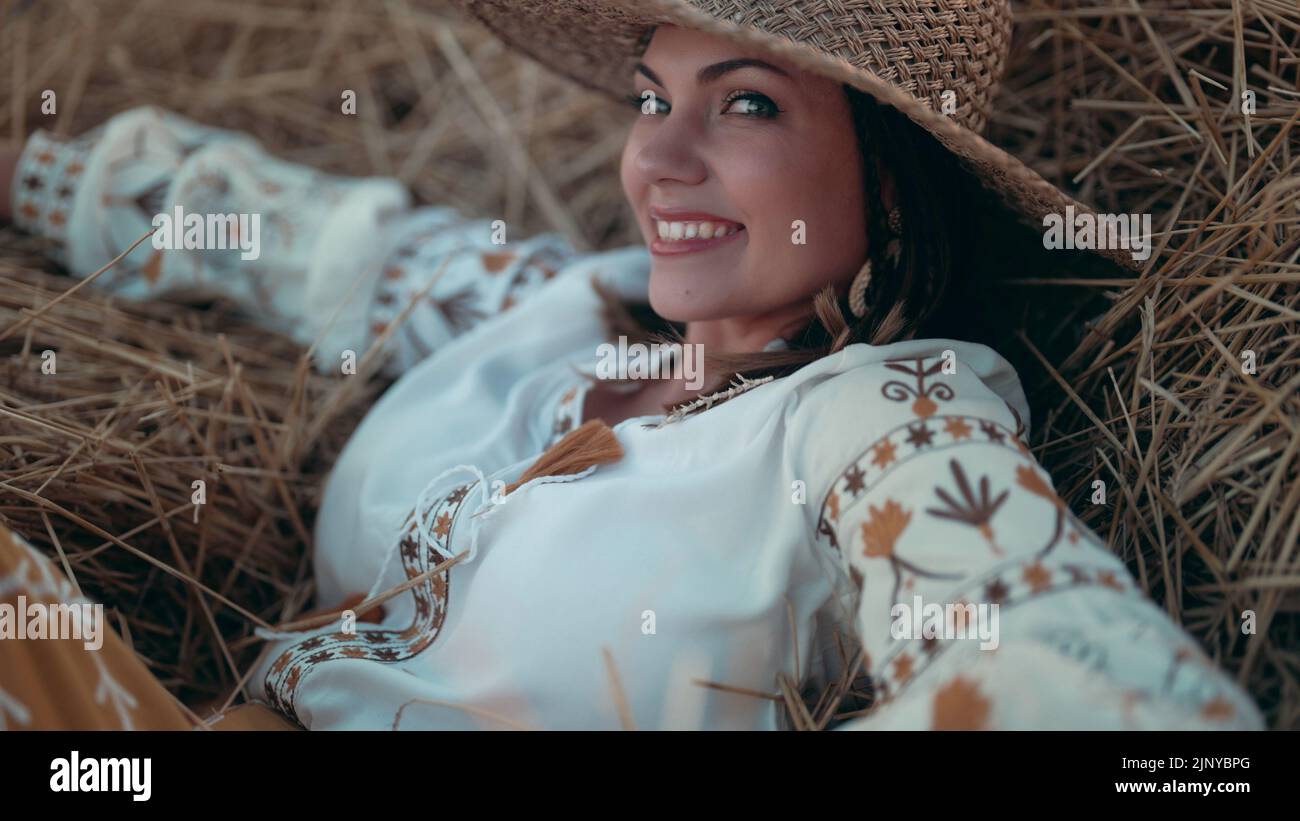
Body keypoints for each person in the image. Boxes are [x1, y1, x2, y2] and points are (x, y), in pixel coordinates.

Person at [0, 0, 1264, 730]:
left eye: (747, 104)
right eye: (654, 98)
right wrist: (37, 177)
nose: (657, 162)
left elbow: (1071, 675)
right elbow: (330, 246)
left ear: (888, 172)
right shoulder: (572, 311)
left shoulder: (879, 423)